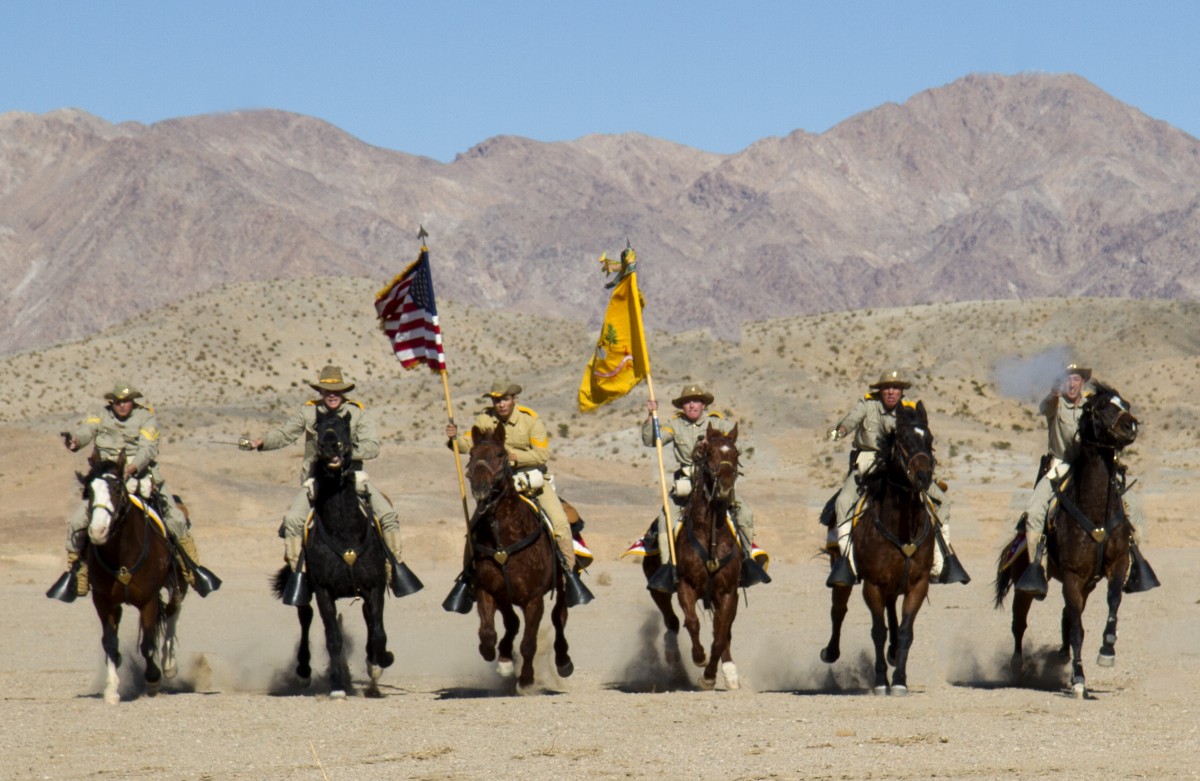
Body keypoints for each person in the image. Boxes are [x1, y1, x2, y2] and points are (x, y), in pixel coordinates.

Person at [242, 365, 404, 574]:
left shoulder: (357, 413)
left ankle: (394, 570)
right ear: (321, 392)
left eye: (337, 391)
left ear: (343, 392)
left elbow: (372, 447)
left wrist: (344, 452)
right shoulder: (309, 412)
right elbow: (285, 434)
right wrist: (260, 442)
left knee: (388, 516)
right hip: (317, 479)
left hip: (352, 477)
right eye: (328, 391)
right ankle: (298, 575)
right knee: (292, 520)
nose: (332, 395)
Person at [1015, 363, 1152, 596]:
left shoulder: (1091, 408)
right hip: (1061, 467)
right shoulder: (1056, 406)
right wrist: (1052, 395)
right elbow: (1045, 407)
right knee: (1036, 511)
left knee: (1133, 506)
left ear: (1082, 383)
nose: (1072, 383)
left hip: (1092, 468)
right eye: (1068, 379)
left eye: (1076, 379)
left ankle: (1133, 565)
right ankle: (1037, 566)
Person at [59, 381, 200, 595]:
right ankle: (79, 572)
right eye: (118, 402)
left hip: (142, 477)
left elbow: (148, 448)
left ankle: (190, 568)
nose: (122, 406)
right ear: (111, 402)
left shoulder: (146, 417)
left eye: (126, 402)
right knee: (78, 521)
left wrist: (132, 467)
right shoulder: (101, 415)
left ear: (132, 401)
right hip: (108, 482)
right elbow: (87, 430)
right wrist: (76, 441)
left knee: (176, 520)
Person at [825, 369, 952, 585]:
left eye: (896, 388)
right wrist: (841, 430)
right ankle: (847, 563)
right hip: (868, 461)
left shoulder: (910, 410)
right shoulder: (867, 404)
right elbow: (851, 420)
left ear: (902, 391)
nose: (891, 392)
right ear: (880, 391)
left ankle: (942, 562)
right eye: (887, 388)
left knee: (941, 500)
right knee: (843, 502)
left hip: (903, 466)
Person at [445, 380, 576, 570]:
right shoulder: (484, 419)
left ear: (513, 399)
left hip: (531, 480)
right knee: (473, 527)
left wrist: (513, 457)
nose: (501, 404)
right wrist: (454, 438)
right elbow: (468, 444)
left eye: (505, 399)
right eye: (496, 400)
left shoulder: (530, 419)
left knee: (560, 523)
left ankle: (569, 576)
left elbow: (542, 455)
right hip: (498, 483)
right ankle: (466, 582)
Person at [636, 383, 767, 571]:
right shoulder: (675, 425)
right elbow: (651, 440)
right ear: (682, 406)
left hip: (714, 481)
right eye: (687, 402)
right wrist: (651, 415)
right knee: (665, 519)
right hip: (687, 483)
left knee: (745, 512)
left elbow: (733, 438)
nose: (691, 405)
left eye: (696, 401)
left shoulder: (717, 422)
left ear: (703, 404)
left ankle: (747, 560)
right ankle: (667, 567)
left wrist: (713, 439)